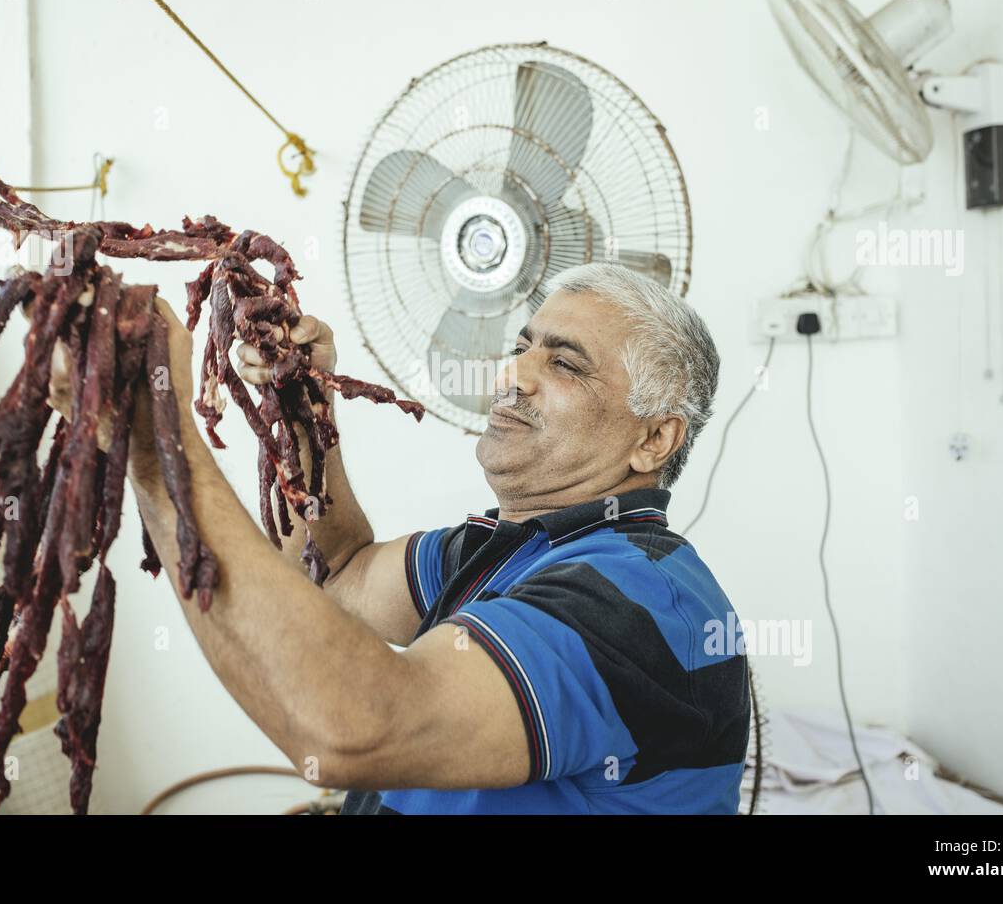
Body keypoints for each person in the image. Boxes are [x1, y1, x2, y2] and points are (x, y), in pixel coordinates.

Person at [52, 260, 750, 813]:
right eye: (521, 349)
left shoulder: (645, 601)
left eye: (564, 363)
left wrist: (157, 445)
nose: (511, 375)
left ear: (654, 438)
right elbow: (340, 574)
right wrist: (302, 407)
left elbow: (353, 728)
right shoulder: (498, 550)